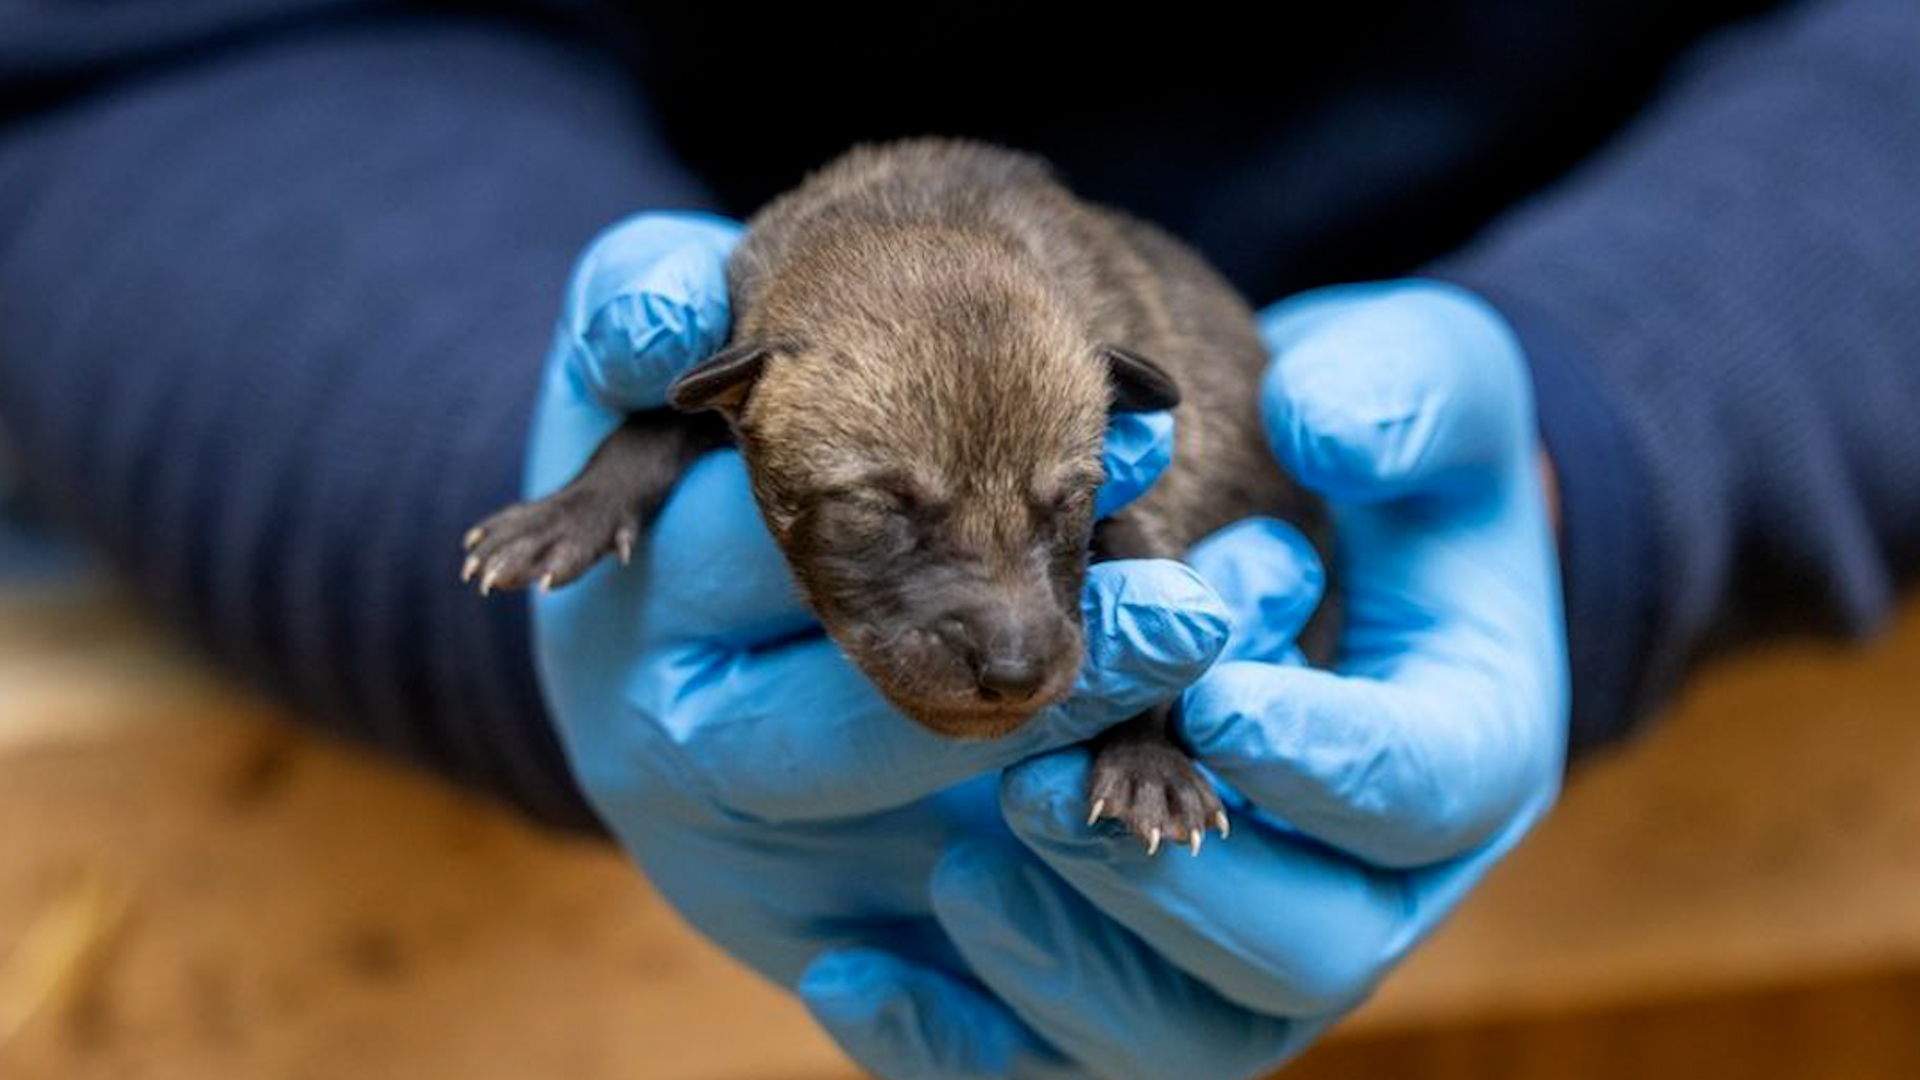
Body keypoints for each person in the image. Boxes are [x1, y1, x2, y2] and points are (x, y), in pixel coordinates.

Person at [1, 2, 1915, 1077]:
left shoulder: (1126, 424)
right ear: (739, 397)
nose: (1008, 644)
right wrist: (517, 501)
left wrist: (1625, 445)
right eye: (887, 529)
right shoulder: (736, 350)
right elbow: (135, 59)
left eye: (1051, 532)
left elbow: (1184, 527)